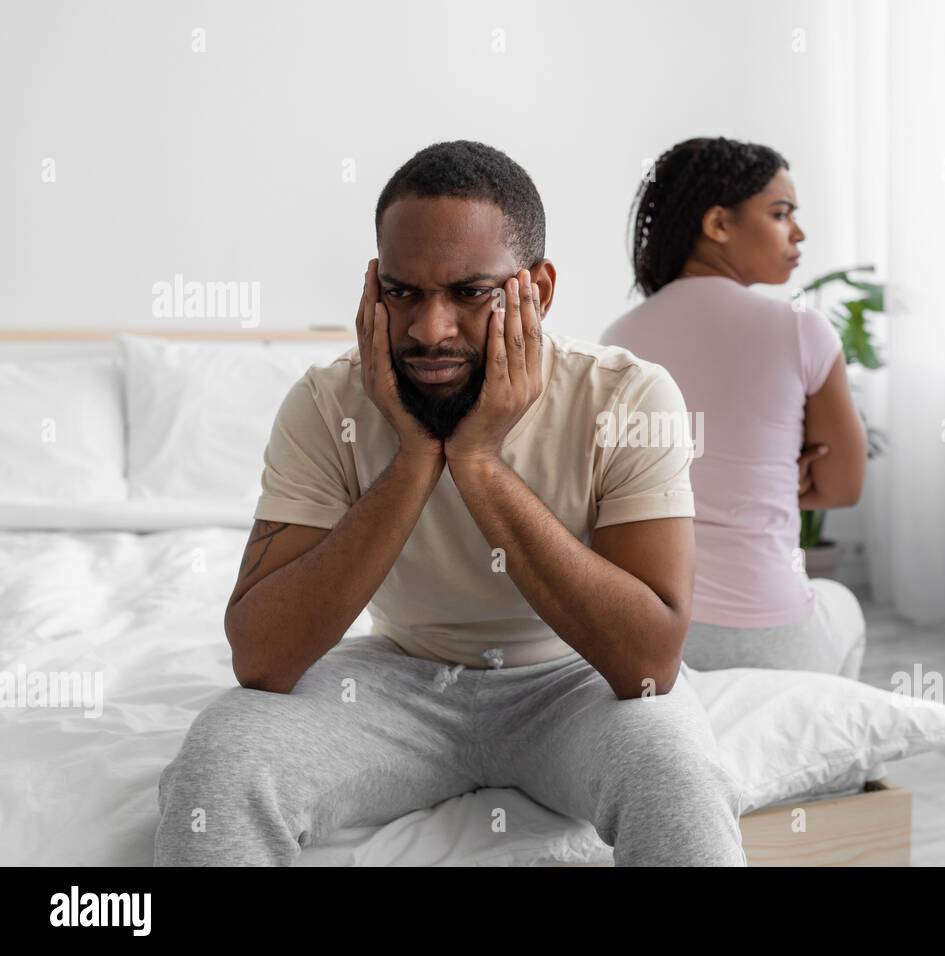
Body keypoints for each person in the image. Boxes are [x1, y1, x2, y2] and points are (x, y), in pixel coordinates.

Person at [153, 140, 747, 867]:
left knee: (678, 774)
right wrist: (411, 461)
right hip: (401, 675)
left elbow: (647, 664)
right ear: (374, 286)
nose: (430, 331)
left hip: (575, 681)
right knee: (224, 754)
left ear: (540, 289)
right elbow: (263, 659)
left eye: (471, 293)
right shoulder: (326, 402)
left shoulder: (626, 395)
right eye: (403, 292)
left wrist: (479, 461)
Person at [600, 137, 868, 680]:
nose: (799, 232)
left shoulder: (617, 341)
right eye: (780, 213)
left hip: (653, 637)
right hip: (773, 635)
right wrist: (779, 477)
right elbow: (842, 487)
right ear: (718, 223)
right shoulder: (800, 330)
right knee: (841, 603)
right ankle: (839, 756)